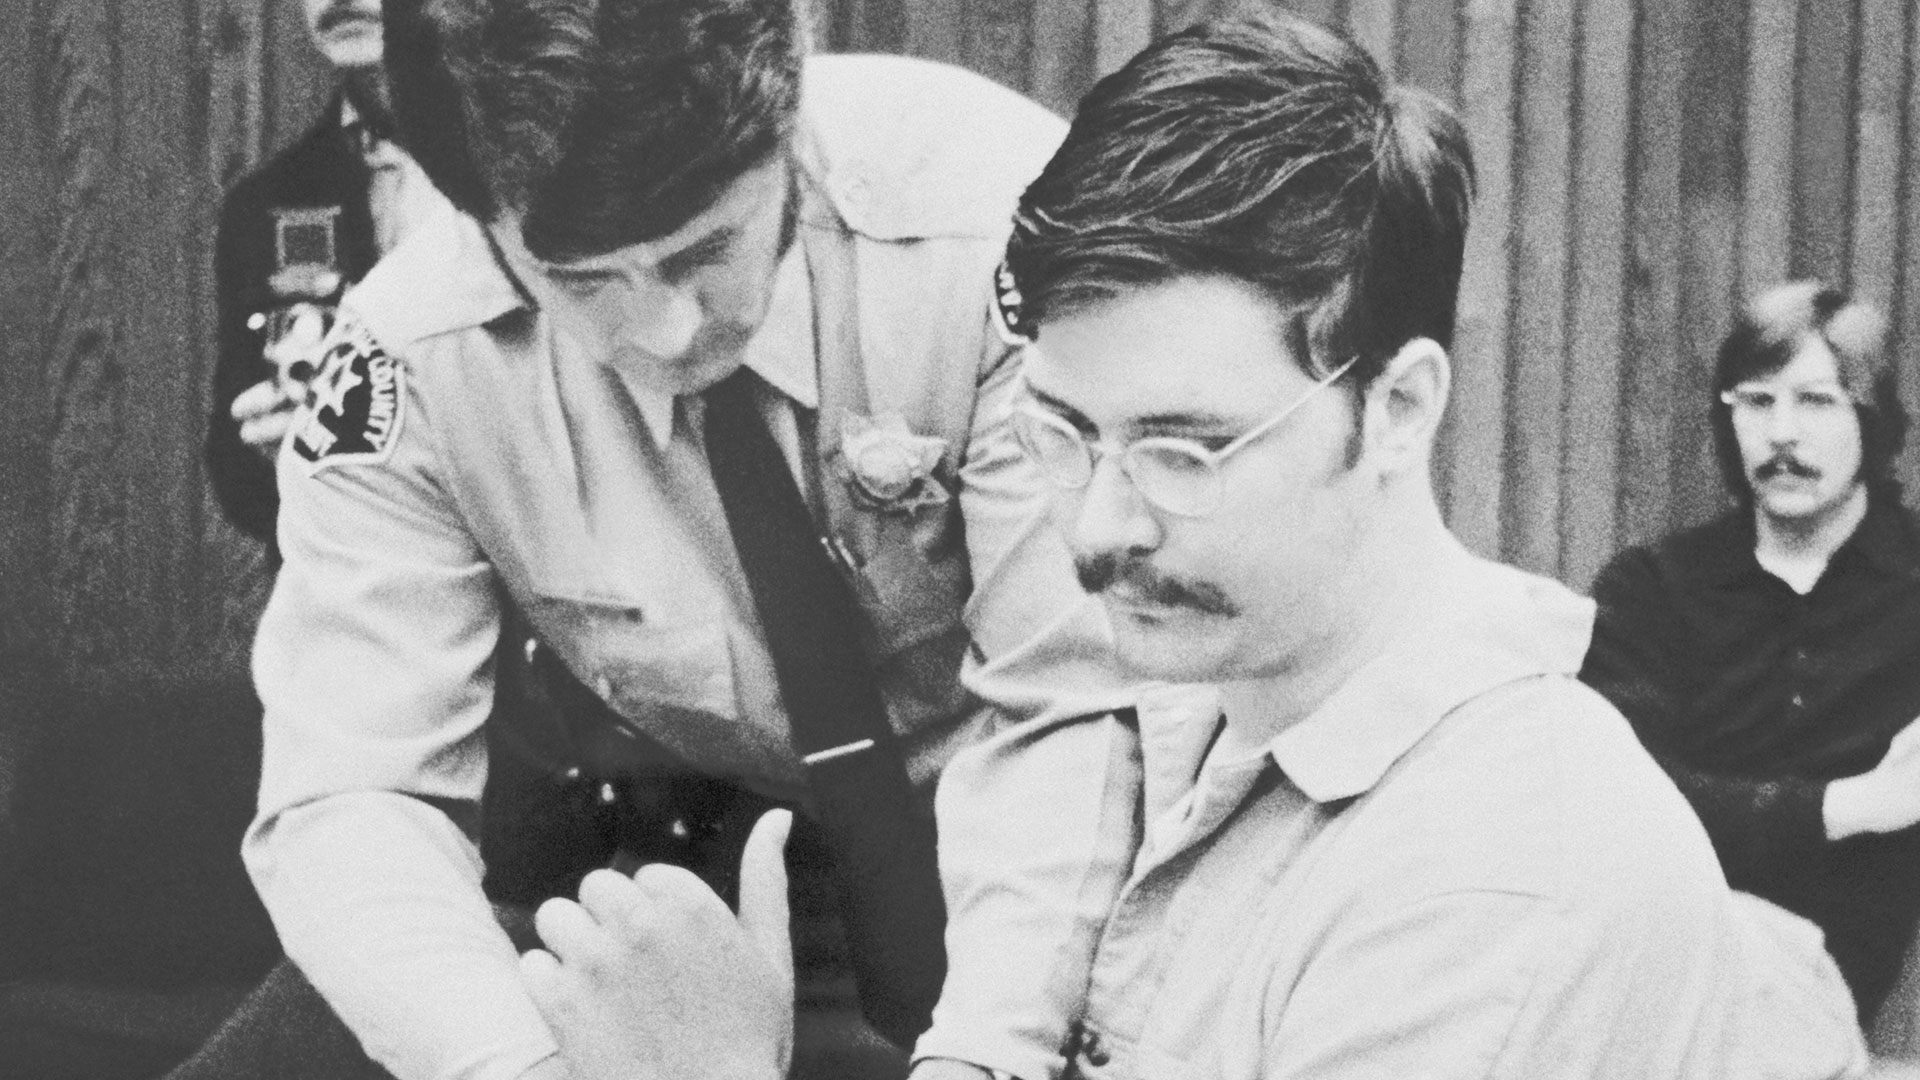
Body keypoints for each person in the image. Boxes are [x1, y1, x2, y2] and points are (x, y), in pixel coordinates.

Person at [517, 11, 1874, 1079]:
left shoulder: (1492, 878)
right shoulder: (1192, 713)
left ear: (1399, 407)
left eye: (1185, 450)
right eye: (1064, 432)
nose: (1100, 528)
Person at [179, 0, 1136, 1078]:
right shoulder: (406, 356)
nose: (669, 330)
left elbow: (1076, 711)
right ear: (481, 225)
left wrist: (985, 1059)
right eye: (584, 281)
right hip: (717, 861)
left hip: (1078, 847)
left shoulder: (1011, 226)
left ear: (787, 115)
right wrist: (517, 1066)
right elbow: (356, 797)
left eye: (706, 249)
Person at [1581, 281, 1920, 1026]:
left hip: (1836, 1018)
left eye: (1817, 401)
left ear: (1871, 418)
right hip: (1646, 983)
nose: (1782, 433)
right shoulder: (1652, 590)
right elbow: (1620, 801)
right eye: (1757, 402)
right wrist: (1851, 806)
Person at [207, 0, 446, 547]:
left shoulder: (538, 171)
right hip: (347, 579)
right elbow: (234, 469)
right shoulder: (268, 200)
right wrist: (284, 456)